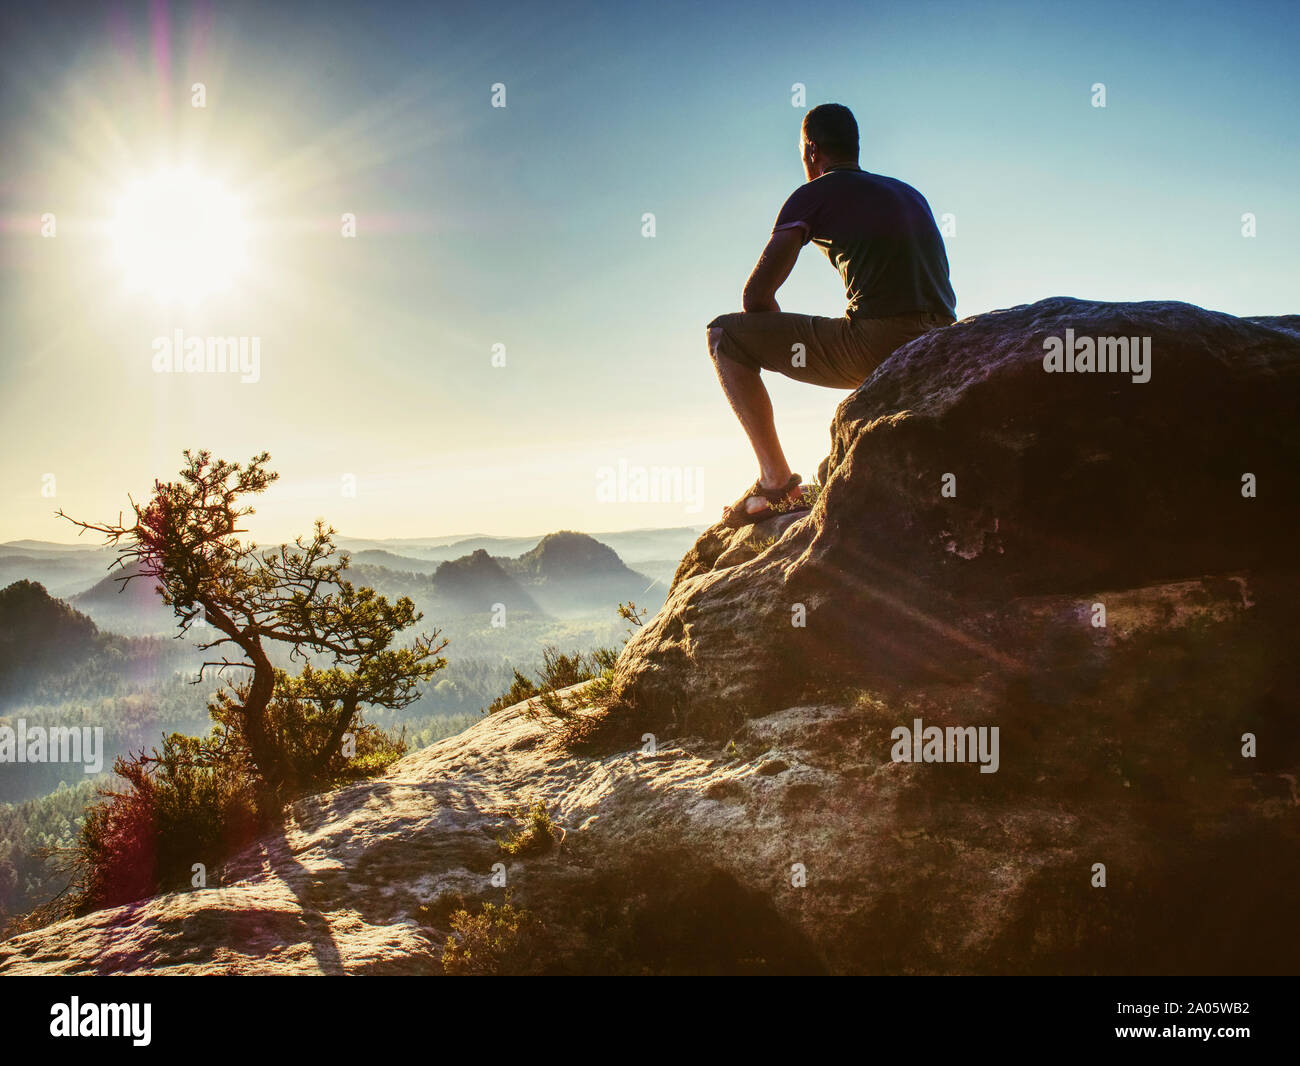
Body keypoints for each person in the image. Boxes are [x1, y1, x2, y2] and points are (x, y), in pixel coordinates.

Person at [708, 103, 958, 528]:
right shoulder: (908, 192)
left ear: (811, 151)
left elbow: (755, 296)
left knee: (724, 336)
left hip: (880, 343)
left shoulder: (813, 194)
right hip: (944, 340)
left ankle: (776, 483)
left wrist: (778, 344)